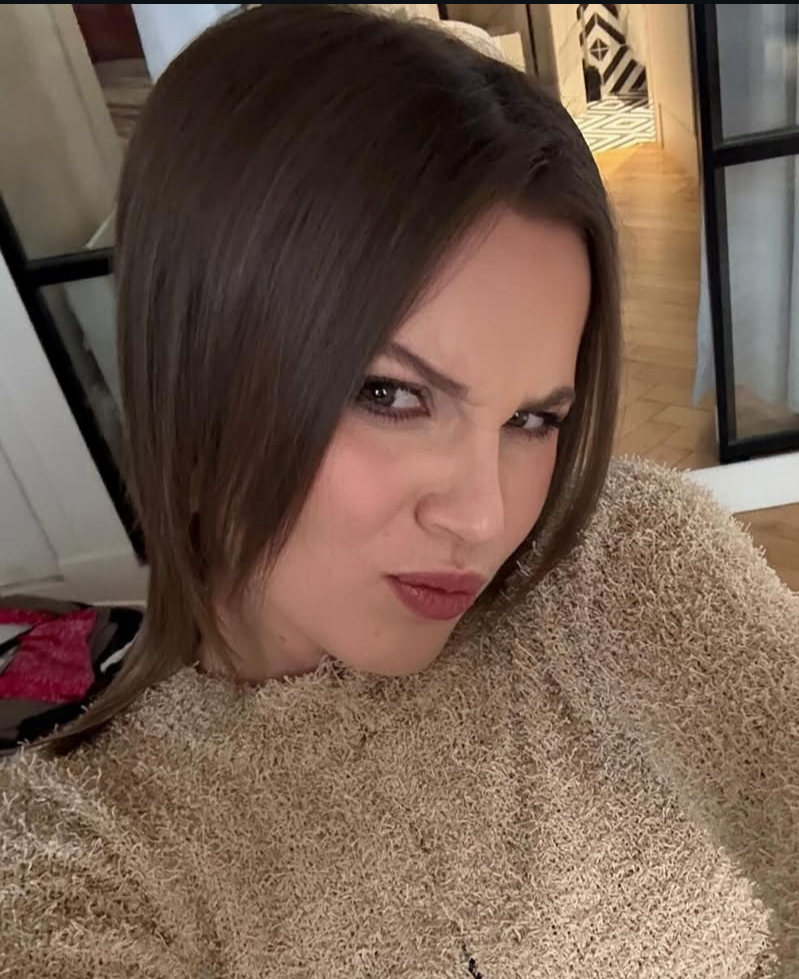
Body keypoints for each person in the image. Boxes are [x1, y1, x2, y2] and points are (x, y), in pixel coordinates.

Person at [2, 6, 797, 977]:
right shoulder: (84, 852)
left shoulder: (617, 559)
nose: (485, 517)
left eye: (532, 419)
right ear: (197, 367)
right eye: (390, 394)